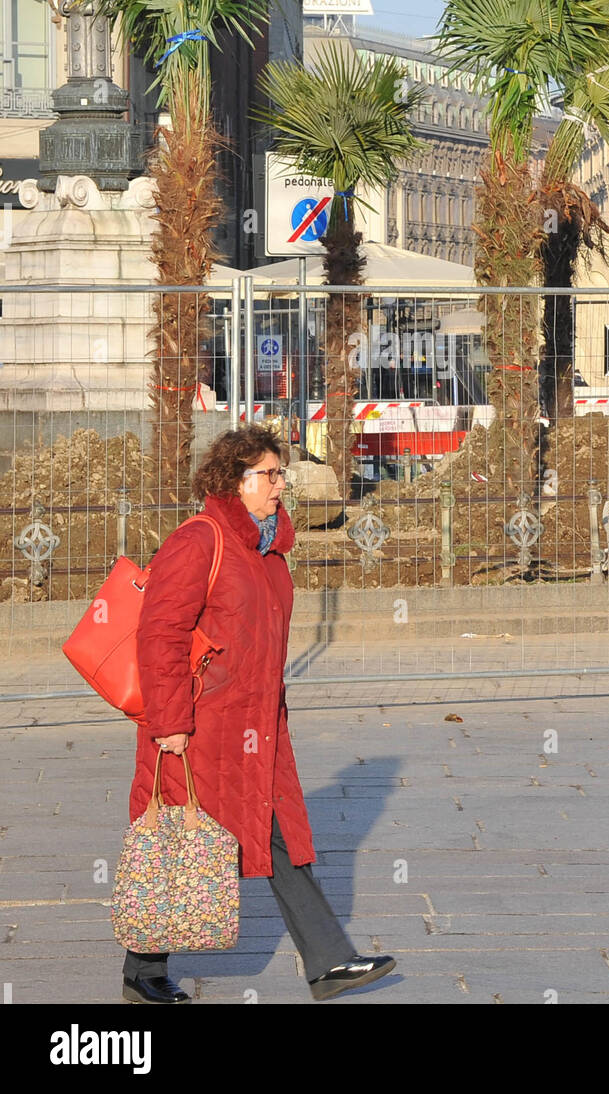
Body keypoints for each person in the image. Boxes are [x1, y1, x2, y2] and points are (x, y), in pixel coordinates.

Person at [122, 423, 395, 1004]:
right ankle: (142, 972)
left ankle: (328, 962)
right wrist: (170, 722)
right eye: (269, 475)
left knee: (276, 835)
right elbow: (160, 633)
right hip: (198, 728)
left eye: (280, 474)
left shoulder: (267, 550)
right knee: (179, 835)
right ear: (235, 481)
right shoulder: (199, 541)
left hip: (257, 726)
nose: (280, 486)